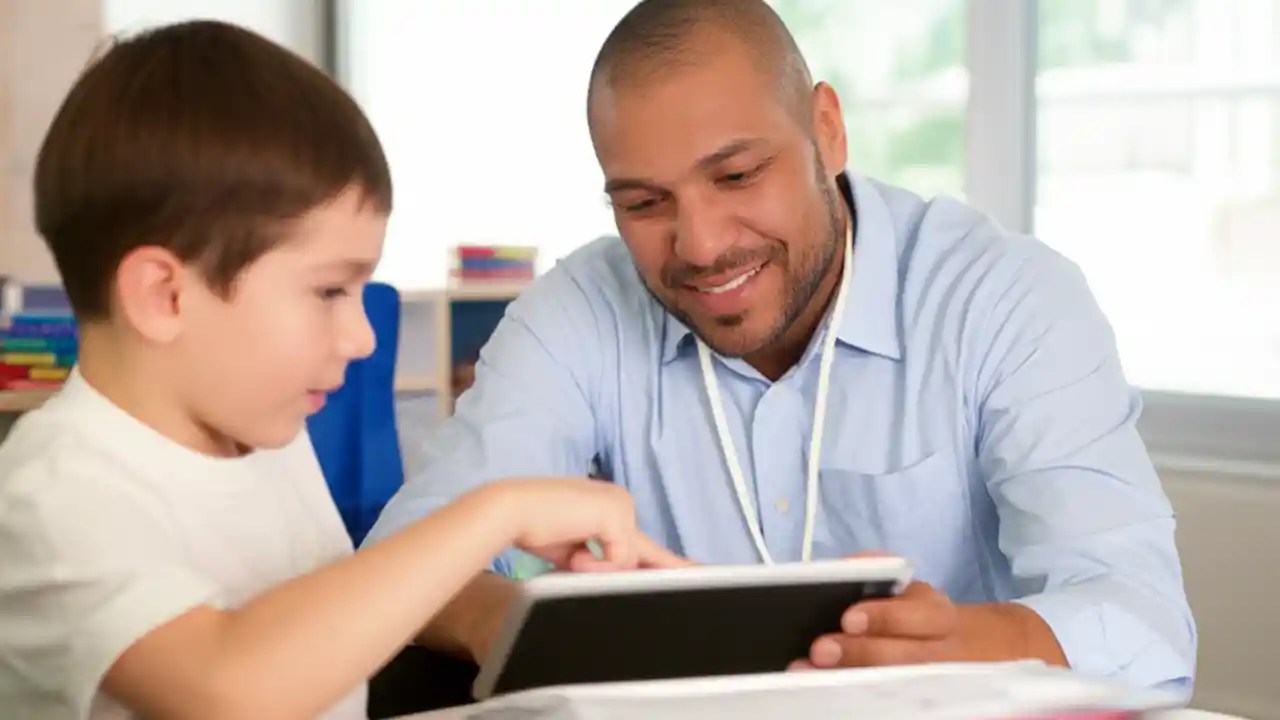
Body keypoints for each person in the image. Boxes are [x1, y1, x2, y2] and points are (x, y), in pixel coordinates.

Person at [367, 0, 1196, 697]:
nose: (698, 245)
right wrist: (530, 623)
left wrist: (970, 642)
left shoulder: (1008, 298)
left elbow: (1147, 623)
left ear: (827, 133)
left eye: (736, 177)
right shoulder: (578, 310)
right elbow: (391, 577)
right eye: (646, 202)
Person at [0, 21, 686, 720]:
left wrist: (538, 619)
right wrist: (499, 511)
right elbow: (229, 688)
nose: (361, 338)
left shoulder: (267, 442)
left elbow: (337, 632)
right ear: (163, 296)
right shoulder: (52, 498)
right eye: (330, 291)